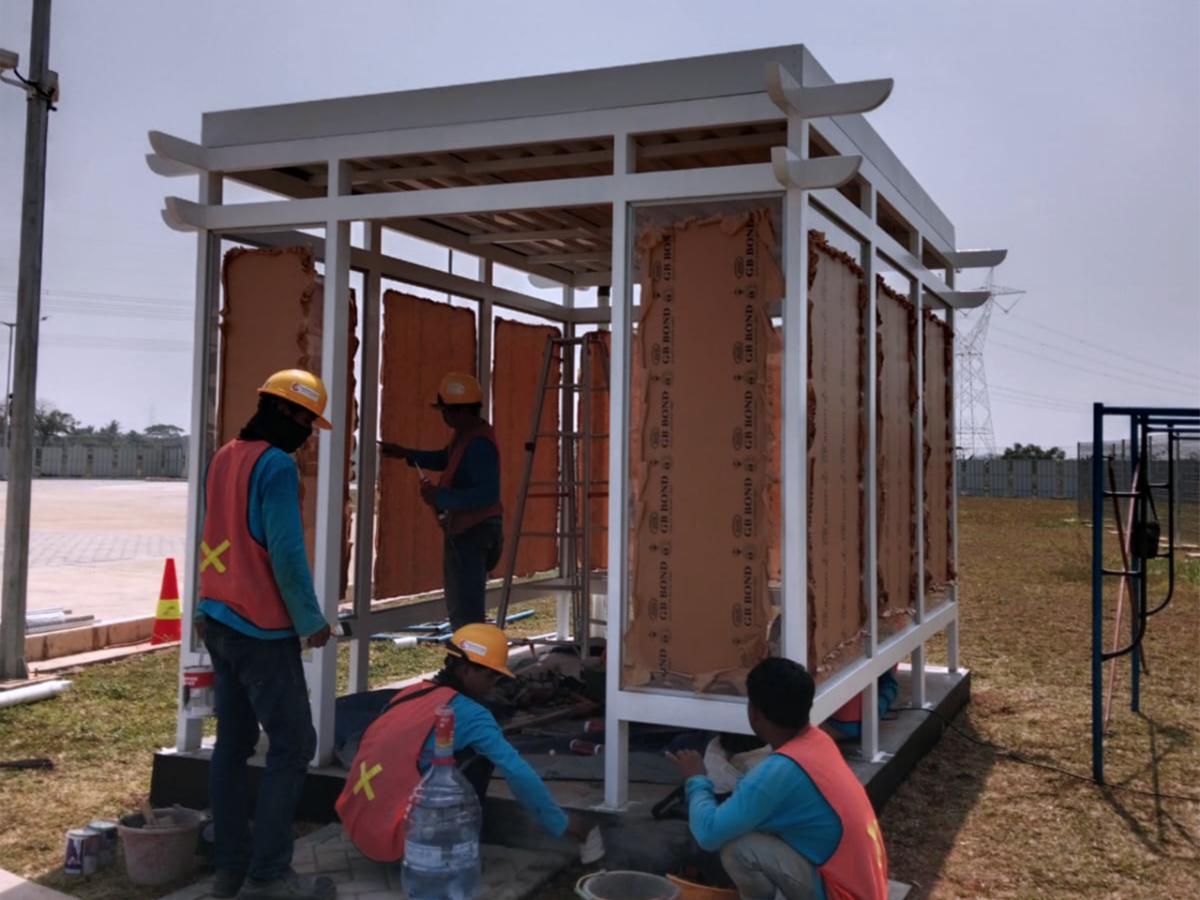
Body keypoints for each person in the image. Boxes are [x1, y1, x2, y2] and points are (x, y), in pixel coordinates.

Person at [195, 369, 338, 900]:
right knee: (294, 743)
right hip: (260, 627)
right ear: (279, 411)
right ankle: (269, 875)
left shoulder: (224, 456)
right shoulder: (276, 465)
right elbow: (285, 550)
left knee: (231, 745)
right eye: (302, 418)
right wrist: (310, 621)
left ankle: (229, 870)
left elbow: (216, 535)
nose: (305, 430)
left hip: (219, 619)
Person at [336, 623, 591, 862]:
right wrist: (562, 822)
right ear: (466, 669)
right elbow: (517, 771)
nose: (492, 686)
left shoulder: (409, 694)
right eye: (490, 677)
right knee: (480, 756)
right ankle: (450, 849)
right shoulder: (470, 714)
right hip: (406, 848)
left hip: (360, 829)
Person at [667, 657, 889, 900]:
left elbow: (709, 834)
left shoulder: (779, 771)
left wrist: (696, 780)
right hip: (863, 888)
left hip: (839, 894)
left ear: (754, 711)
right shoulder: (818, 741)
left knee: (739, 849)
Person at [379, 372, 503, 630]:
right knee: (462, 604)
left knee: (465, 609)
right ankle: (467, 662)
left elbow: (487, 494)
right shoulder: (466, 434)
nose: (444, 416)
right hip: (470, 532)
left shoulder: (479, 443)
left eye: (446, 410)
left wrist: (441, 497)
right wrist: (408, 454)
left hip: (474, 533)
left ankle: (469, 665)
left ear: (464, 410)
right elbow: (447, 459)